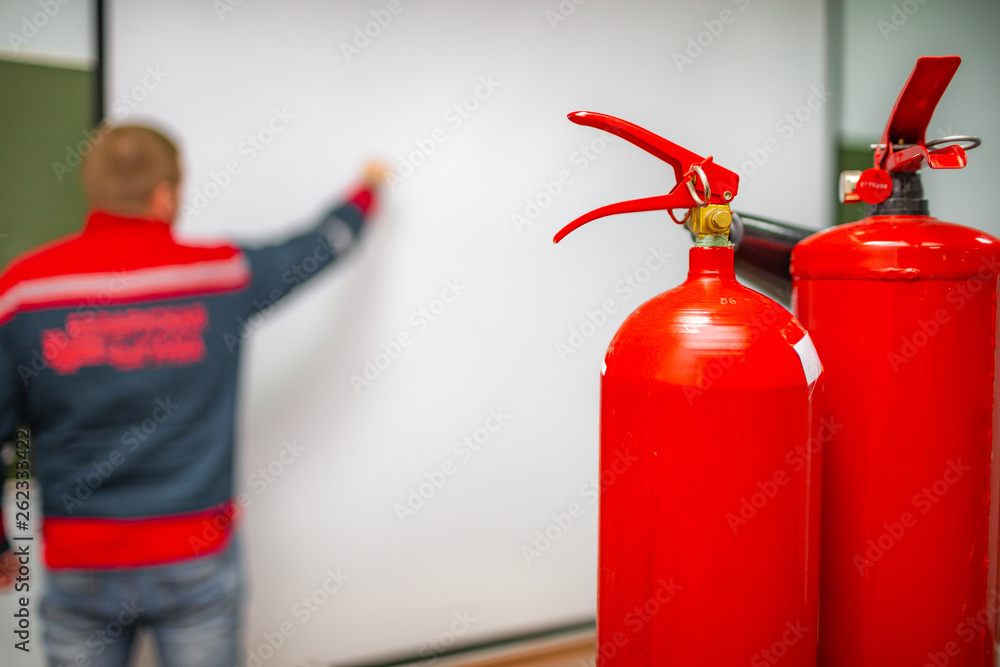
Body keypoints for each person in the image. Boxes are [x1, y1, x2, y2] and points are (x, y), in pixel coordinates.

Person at [0, 125, 383, 666]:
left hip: (80, 561)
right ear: (164, 195)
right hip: (195, 557)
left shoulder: (23, 292)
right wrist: (367, 189)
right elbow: (323, 246)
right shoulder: (219, 275)